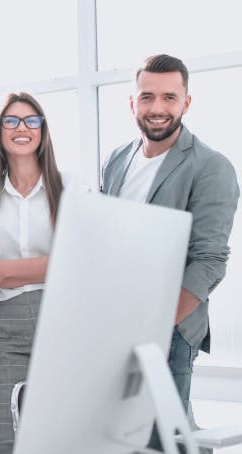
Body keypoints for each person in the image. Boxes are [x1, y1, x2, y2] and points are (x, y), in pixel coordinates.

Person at [101, 54, 239, 450]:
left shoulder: (211, 166)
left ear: (186, 103)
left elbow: (209, 261)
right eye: (146, 97)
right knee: (121, 436)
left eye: (169, 97)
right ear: (132, 104)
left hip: (171, 329)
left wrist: (158, 324)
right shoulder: (116, 160)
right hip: (115, 324)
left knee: (167, 438)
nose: (157, 108)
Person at [0, 92, 65, 453]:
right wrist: (48, 266)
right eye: (11, 121)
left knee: (62, 435)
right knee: (11, 440)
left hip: (62, 324)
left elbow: (77, 263)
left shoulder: (69, 186)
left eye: (31, 120)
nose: (21, 128)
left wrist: (4, 271)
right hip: (8, 331)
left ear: (43, 130)